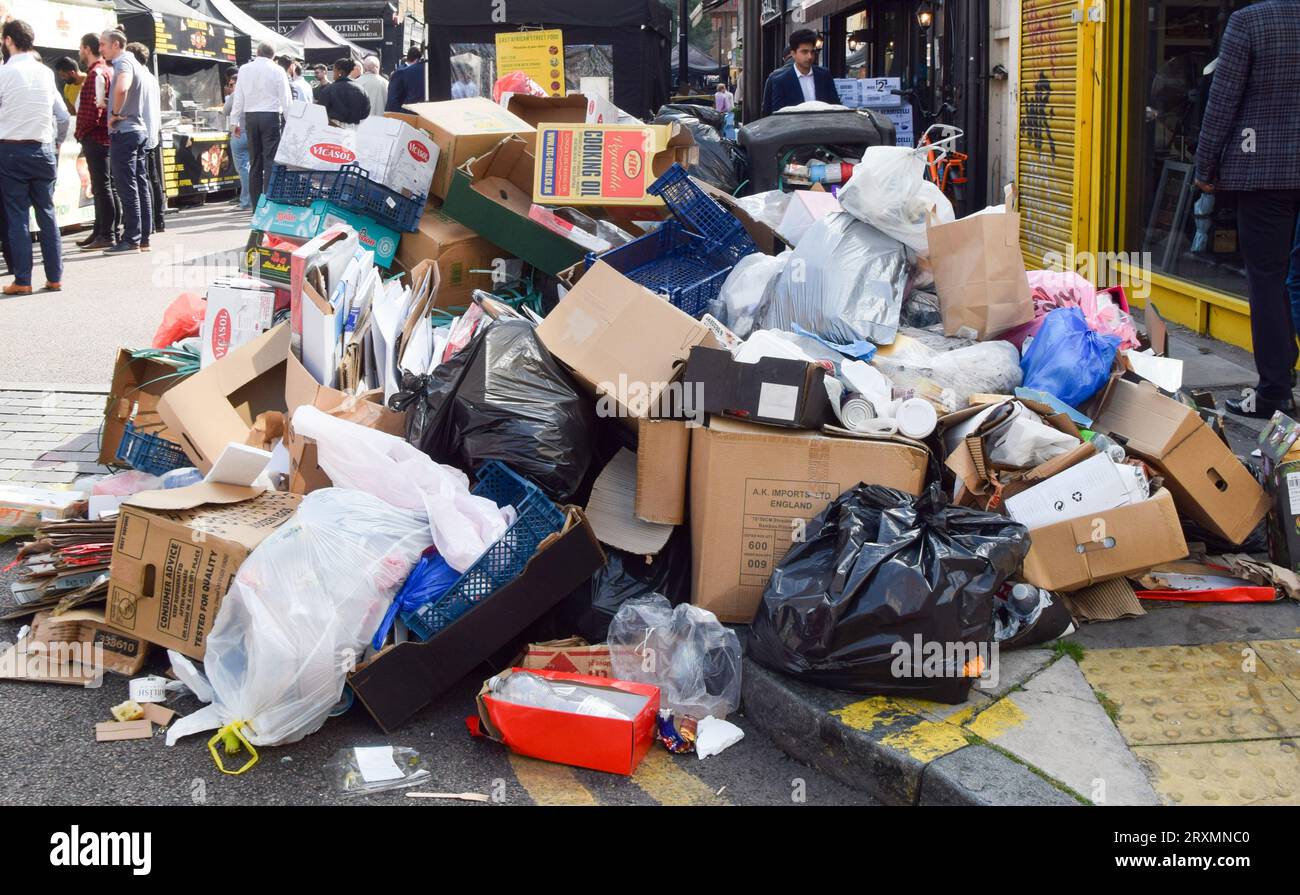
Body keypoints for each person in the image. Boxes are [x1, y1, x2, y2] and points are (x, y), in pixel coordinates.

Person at [1195, 1, 1300, 419]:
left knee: (1268, 281)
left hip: (1265, 174)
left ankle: (1274, 392)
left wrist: (1206, 165)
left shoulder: (1250, 21)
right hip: (1269, 174)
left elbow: (1222, 100)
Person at [0, 19, 66, 293]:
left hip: (12, 149)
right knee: (47, 213)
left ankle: (23, 280)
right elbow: (62, 115)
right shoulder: (45, 72)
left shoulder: (4, 73)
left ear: (8, 40)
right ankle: (54, 277)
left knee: (17, 216)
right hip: (43, 148)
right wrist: (57, 143)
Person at [100, 28, 150, 255]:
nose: (101, 49)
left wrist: (115, 113)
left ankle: (132, 239)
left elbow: (123, 86)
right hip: (138, 130)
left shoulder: (123, 63)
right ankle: (142, 237)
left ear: (116, 45)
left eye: (103, 44)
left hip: (126, 131)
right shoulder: (135, 63)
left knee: (127, 186)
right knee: (139, 184)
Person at [230, 41, 292, 208]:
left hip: (250, 117)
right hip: (271, 116)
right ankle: (269, 202)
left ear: (257, 53)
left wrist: (234, 121)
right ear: (273, 55)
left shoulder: (244, 69)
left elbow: (238, 98)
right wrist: (291, 121)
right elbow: (286, 99)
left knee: (255, 161)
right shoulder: (278, 70)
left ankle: (256, 204)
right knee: (270, 160)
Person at [75, 32, 119, 250]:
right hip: (101, 136)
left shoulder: (97, 72)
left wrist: (83, 131)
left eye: (82, 47)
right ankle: (101, 230)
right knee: (104, 186)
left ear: (87, 48)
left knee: (102, 187)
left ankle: (107, 233)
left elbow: (96, 110)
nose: (80, 51)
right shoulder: (103, 70)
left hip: (96, 136)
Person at [126, 42, 163, 238]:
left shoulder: (138, 76)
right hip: (151, 131)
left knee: (145, 178)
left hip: (142, 131)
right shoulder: (150, 77)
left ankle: (151, 223)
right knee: (151, 178)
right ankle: (158, 219)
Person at [761, 29, 837, 116]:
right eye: (804, 52)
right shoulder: (780, 81)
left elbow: (835, 106)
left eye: (812, 52)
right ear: (793, 54)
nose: (810, 56)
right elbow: (774, 115)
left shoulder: (824, 75)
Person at [314, 57, 369, 126]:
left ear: (340, 72)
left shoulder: (329, 89)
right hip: (355, 130)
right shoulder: (361, 89)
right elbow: (366, 113)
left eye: (334, 71)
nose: (333, 73)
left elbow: (320, 112)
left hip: (333, 129)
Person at [224, 68, 250, 209]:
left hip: (239, 133)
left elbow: (225, 111)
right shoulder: (252, 92)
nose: (230, 87)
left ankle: (246, 200)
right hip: (252, 133)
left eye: (231, 85)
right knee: (253, 168)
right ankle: (254, 198)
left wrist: (230, 95)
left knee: (243, 169)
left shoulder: (236, 95)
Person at [385, 45, 426, 112]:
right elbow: (393, 100)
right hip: (406, 115)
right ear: (417, 60)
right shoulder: (400, 72)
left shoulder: (401, 72)